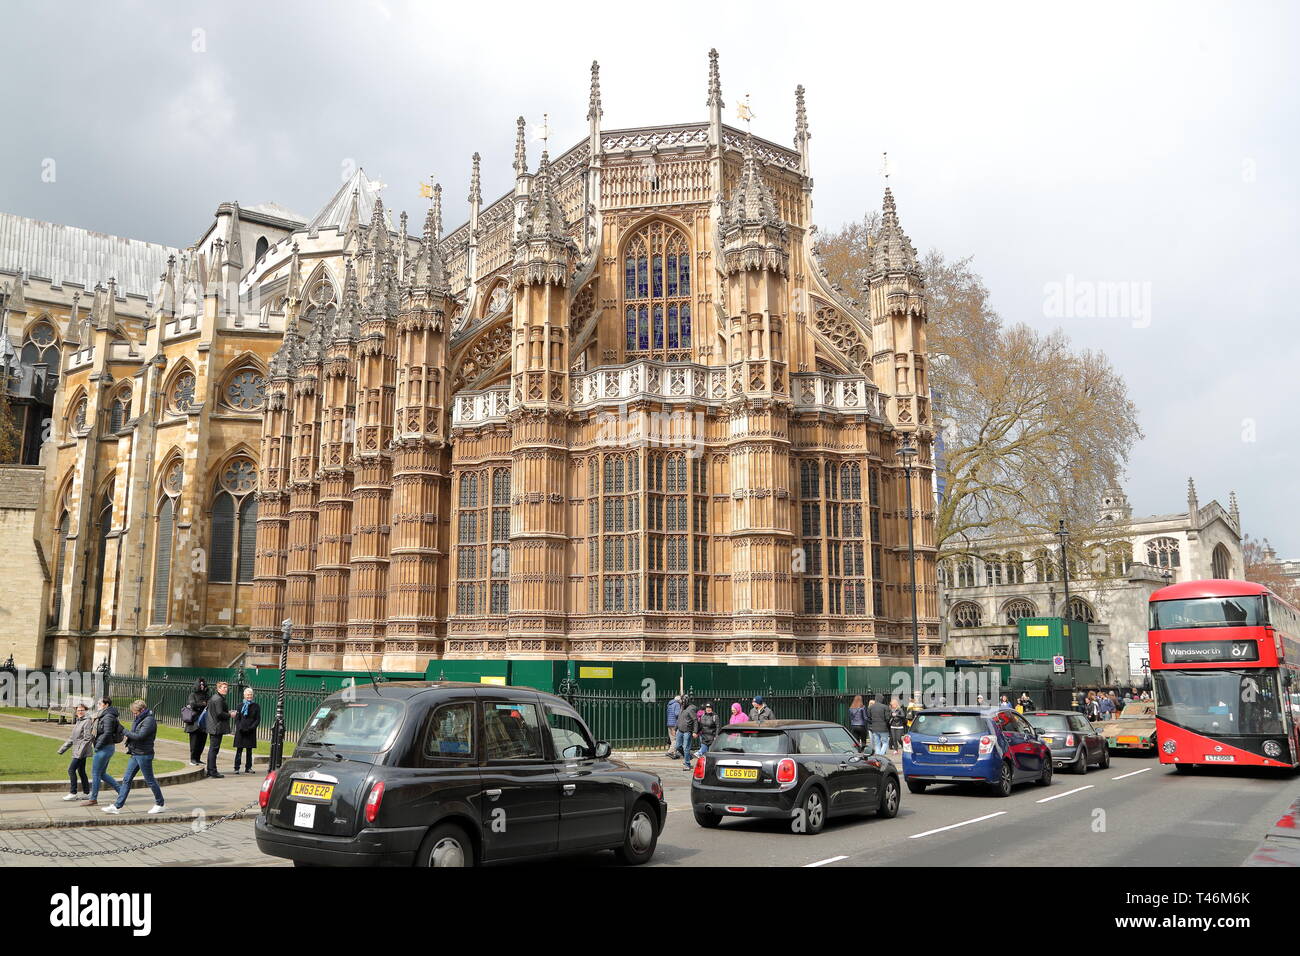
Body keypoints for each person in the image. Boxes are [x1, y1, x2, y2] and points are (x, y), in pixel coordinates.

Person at [105, 699, 165, 815]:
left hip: (144, 755)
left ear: (142, 710)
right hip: (136, 753)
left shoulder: (149, 721)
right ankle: (117, 806)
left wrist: (124, 731)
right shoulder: (140, 719)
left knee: (150, 780)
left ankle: (160, 804)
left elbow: (139, 736)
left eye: (135, 712)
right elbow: (134, 733)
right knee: (126, 779)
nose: (134, 714)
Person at [81, 697, 122, 807]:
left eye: (100, 703)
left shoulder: (108, 716)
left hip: (104, 748)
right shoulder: (102, 715)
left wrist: (98, 746)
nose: (98, 705)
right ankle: (122, 792)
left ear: (106, 705)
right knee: (102, 773)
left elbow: (107, 732)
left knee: (95, 773)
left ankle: (93, 799)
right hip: (106, 747)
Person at [57, 703, 94, 801]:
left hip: (81, 752)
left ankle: (73, 793)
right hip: (78, 751)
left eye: (82, 710)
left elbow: (87, 738)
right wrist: (62, 749)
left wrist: (79, 753)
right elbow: (72, 738)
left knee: (71, 770)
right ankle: (87, 793)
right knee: (81, 771)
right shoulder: (79, 721)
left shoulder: (87, 721)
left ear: (85, 711)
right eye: (78, 710)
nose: (80, 712)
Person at [204, 681, 232, 779]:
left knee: (212, 749)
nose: (225, 689)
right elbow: (220, 714)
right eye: (223, 687)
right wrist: (230, 714)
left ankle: (210, 770)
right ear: (218, 689)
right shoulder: (219, 699)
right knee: (214, 750)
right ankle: (213, 771)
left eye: (226, 687)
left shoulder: (214, 698)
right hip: (216, 727)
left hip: (213, 726)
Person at [232, 688, 261, 774]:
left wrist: (252, 727)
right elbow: (237, 719)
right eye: (248, 695)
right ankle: (236, 768)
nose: (249, 696)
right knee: (239, 750)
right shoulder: (239, 706)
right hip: (241, 731)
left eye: (250, 695)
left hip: (250, 731)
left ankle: (248, 767)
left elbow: (257, 719)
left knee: (249, 751)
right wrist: (240, 727)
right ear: (244, 695)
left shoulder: (256, 706)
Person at [183, 678, 210, 766]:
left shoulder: (207, 695)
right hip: (194, 722)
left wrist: (202, 705)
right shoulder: (192, 695)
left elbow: (209, 705)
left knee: (202, 741)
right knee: (194, 742)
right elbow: (192, 705)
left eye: (203, 684)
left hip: (204, 721)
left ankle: (198, 758)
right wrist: (203, 704)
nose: (202, 686)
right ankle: (193, 759)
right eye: (200, 684)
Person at [674, 697, 699, 771]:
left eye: (682, 703)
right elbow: (679, 718)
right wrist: (676, 728)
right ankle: (688, 756)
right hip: (680, 730)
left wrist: (695, 731)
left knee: (686, 748)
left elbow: (695, 720)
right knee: (678, 746)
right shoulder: (682, 707)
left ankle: (687, 764)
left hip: (687, 731)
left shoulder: (691, 709)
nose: (681, 704)